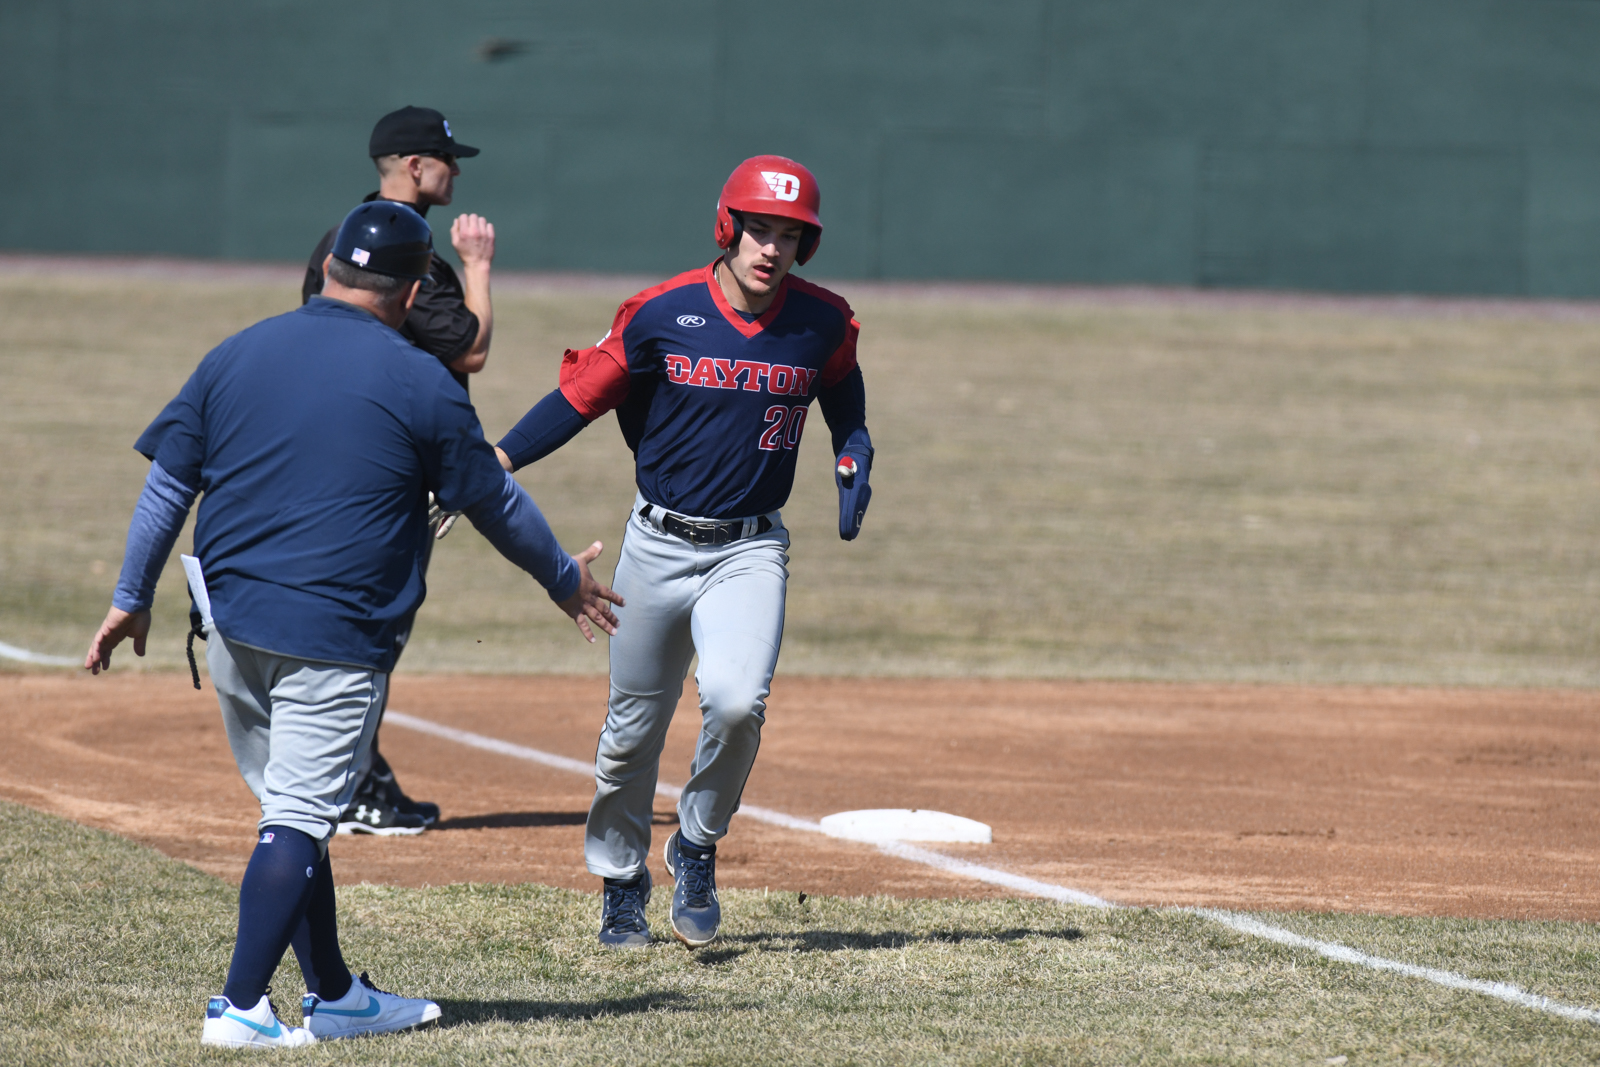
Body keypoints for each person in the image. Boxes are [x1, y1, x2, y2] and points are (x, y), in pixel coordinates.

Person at [84, 201, 622, 1047]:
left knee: (289, 809)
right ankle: (240, 1009)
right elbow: (494, 501)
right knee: (297, 817)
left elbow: (167, 487)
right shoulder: (422, 382)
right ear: (411, 292)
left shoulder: (237, 351)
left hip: (228, 626)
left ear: (330, 267)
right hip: (332, 635)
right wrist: (564, 579)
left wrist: (129, 593)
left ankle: (334, 993)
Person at [494, 155, 875, 948]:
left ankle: (696, 843)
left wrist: (854, 444)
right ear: (728, 228)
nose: (771, 249)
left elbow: (840, 380)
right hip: (657, 544)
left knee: (737, 701)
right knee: (634, 726)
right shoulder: (661, 312)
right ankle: (622, 877)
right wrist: (496, 460)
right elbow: (578, 399)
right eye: (758, 230)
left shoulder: (822, 318)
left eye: (790, 236)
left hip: (750, 548)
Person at [302, 105, 499, 836]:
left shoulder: (338, 242)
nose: (457, 169)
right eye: (448, 158)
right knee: (372, 627)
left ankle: (359, 773)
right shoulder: (413, 253)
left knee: (357, 620)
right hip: (389, 467)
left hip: (335, 455)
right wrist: (478, 265)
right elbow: (469, 348)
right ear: (415, 166)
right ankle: (347, 784)